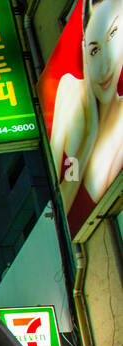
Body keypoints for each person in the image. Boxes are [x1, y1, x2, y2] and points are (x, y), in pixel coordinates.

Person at [49, 0, 123, 232]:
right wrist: (85, 144)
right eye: (94, 50)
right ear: (84, 50)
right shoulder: (70, 90)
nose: (104, 68)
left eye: (113, 35)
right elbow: (56, 203)